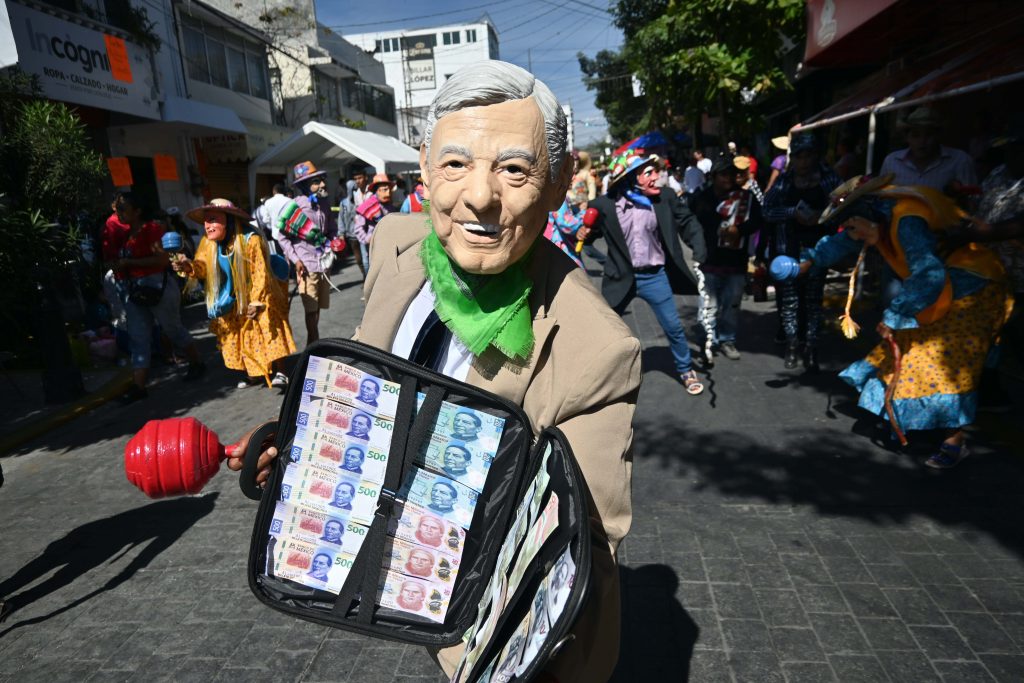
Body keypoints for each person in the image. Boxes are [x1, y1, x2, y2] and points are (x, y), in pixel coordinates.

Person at [229, 60, 640, 682]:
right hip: (372, 558)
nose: (479, 196)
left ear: (558, 184)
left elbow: (583, 555)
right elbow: (372, 397)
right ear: (423, 169)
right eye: (456, 164)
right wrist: (300, 448)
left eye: (514, 168)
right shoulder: (397, 246)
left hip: (470, 619)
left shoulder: (595, 349)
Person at [799, 175, 1011, 468]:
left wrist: (897, 314)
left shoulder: (906, 219)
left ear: (868, 207)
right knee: (914, 355)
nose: (849, 228)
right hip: (942, 288)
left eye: (850, 220)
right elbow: (844, 239)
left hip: (973, 284)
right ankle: (914, 422)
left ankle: (955, 439)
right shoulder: (874, 217)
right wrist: (806, 262)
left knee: (938, 359)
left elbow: (929, 274)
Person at [591, 151, 708, 394]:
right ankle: (600, 378)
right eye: (649, 173)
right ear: (631, 178)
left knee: (674, 327)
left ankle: (686, 369)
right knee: (603, 331)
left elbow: (687, 221)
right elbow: (587, 233)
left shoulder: (664, 198)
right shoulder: (605, 205)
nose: (658, 177)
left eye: (657, 172)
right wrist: (584, 235)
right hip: (620, 277)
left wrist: (699, 248)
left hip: (655, 276)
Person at [173, 198, 295, 389]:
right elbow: (202, 267)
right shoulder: (208, 243)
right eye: (206, 221)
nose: (207, 225)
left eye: (213, 219)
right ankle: (253, 373)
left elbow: (260, 274)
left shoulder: (251, 239)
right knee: (237, 331)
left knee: (268, 326)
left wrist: (256, 301)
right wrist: (188, 266)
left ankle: (282, 371)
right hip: (232, 293)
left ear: (228, 220)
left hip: (261, 290)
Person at [102, 192, 205, 402]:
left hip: (157, 287)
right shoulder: (126, 233)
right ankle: (139, 386)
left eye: (124, 209)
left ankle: (197, 363)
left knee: (172, 329)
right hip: (136, 291)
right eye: (118, 210)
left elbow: (161, 260)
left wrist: (128, 264)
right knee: (138, 337)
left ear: (137, 211)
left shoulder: (151, 230)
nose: (119, 213)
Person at [763, 132, 843, 371]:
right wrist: (791, 213)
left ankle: (811, 347)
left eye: (809, 155)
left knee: (813, 300)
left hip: (818, 250)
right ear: (793, 158)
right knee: (789, 301)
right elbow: (767, 211)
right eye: (800, 156)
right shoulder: (783, 181)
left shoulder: (830, 180)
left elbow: (846, 206)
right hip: (788, 249)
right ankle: (791, 346)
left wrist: (824, 216)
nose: (805, 161)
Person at [689, 155, 764, 360]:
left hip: (735, 260)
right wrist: (696, 245)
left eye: (732, 174)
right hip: (709, 259)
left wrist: (739, 230)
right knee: (709, 304)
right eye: (723, 174)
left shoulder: (746, 198)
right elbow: (688, 222)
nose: (728, 178)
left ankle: (727, 339)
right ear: (714, 176)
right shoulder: (701, 197)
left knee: (731, 303)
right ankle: (708, 340)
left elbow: (758, 220)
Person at [277, 161, 336, 347]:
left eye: (322, 180)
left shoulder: (324, 204)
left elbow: (331, 229)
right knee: (310, 309)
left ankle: (314, 344)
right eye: (316, 182)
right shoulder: (295, 207)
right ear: (304, 185)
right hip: (306, 266)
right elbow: (282, 237)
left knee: (318, 308)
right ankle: (313, 345)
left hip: (324, 263)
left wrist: (334, 241)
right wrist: (296, 260)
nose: (322, 185)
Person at [880, 107, 977, 195]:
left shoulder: (960, 160)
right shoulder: (891, 161)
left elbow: (971, 201)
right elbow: (881, 197)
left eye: (929, 135)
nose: (922, 141)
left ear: (938, 135)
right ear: (907, 138)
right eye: (915, 135)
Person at [353, 173, 398, 270]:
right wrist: (367, 239)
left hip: (389, 247)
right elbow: (358, 228)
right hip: (374, 249)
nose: (388, 192)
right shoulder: (368, 206)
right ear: (377, 191)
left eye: (389, 189)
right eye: (385, 189)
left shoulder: (391, 207)